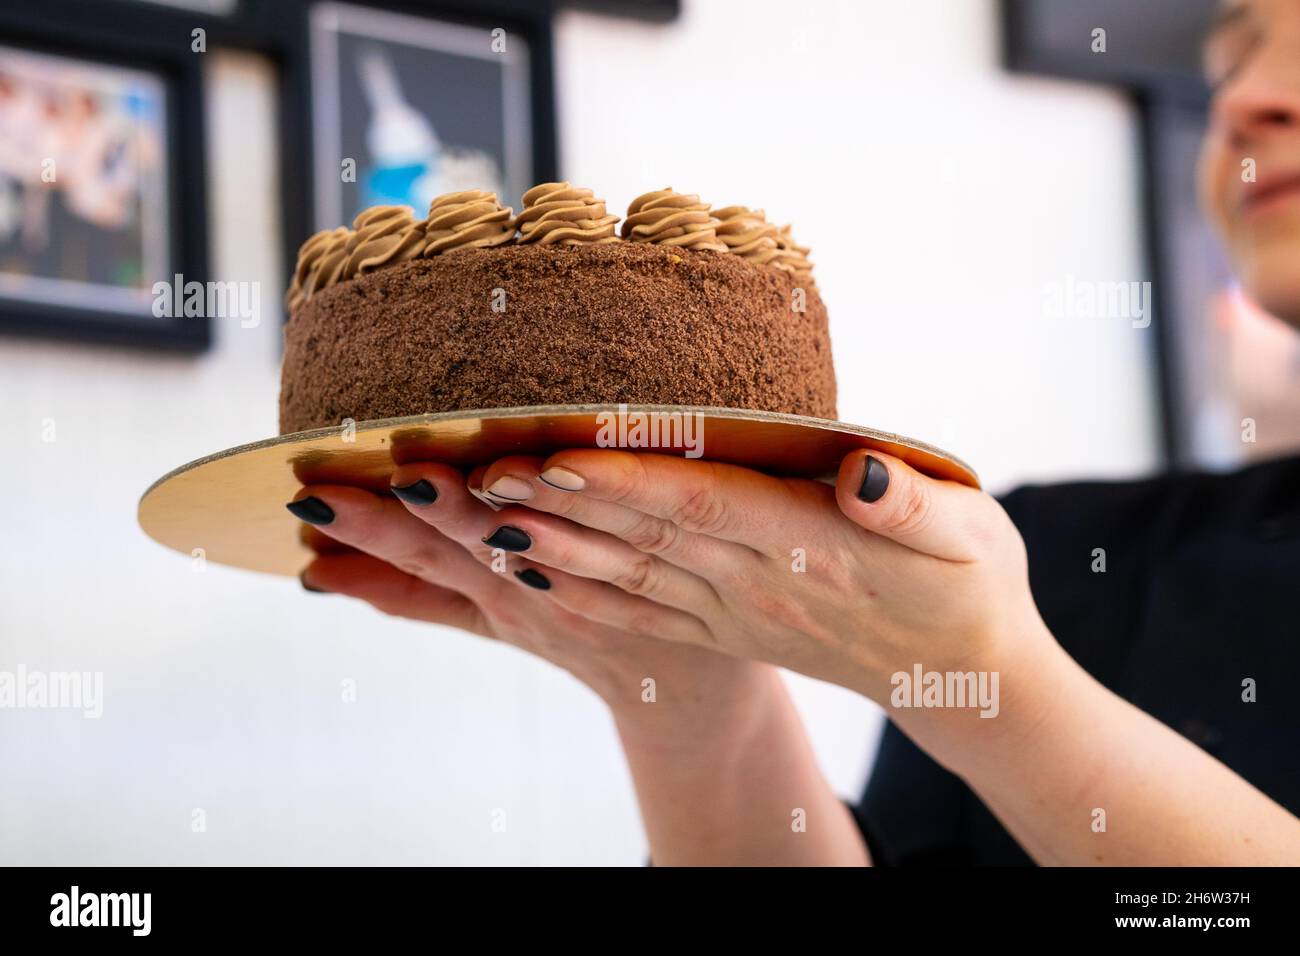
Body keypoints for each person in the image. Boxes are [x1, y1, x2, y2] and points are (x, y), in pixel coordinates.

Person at [287, 0, 1300, 865]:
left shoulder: (993, 614)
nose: (1245, 100)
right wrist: (686, 692)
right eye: (1225, 60)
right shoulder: (1050, 558)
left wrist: (990, 692)